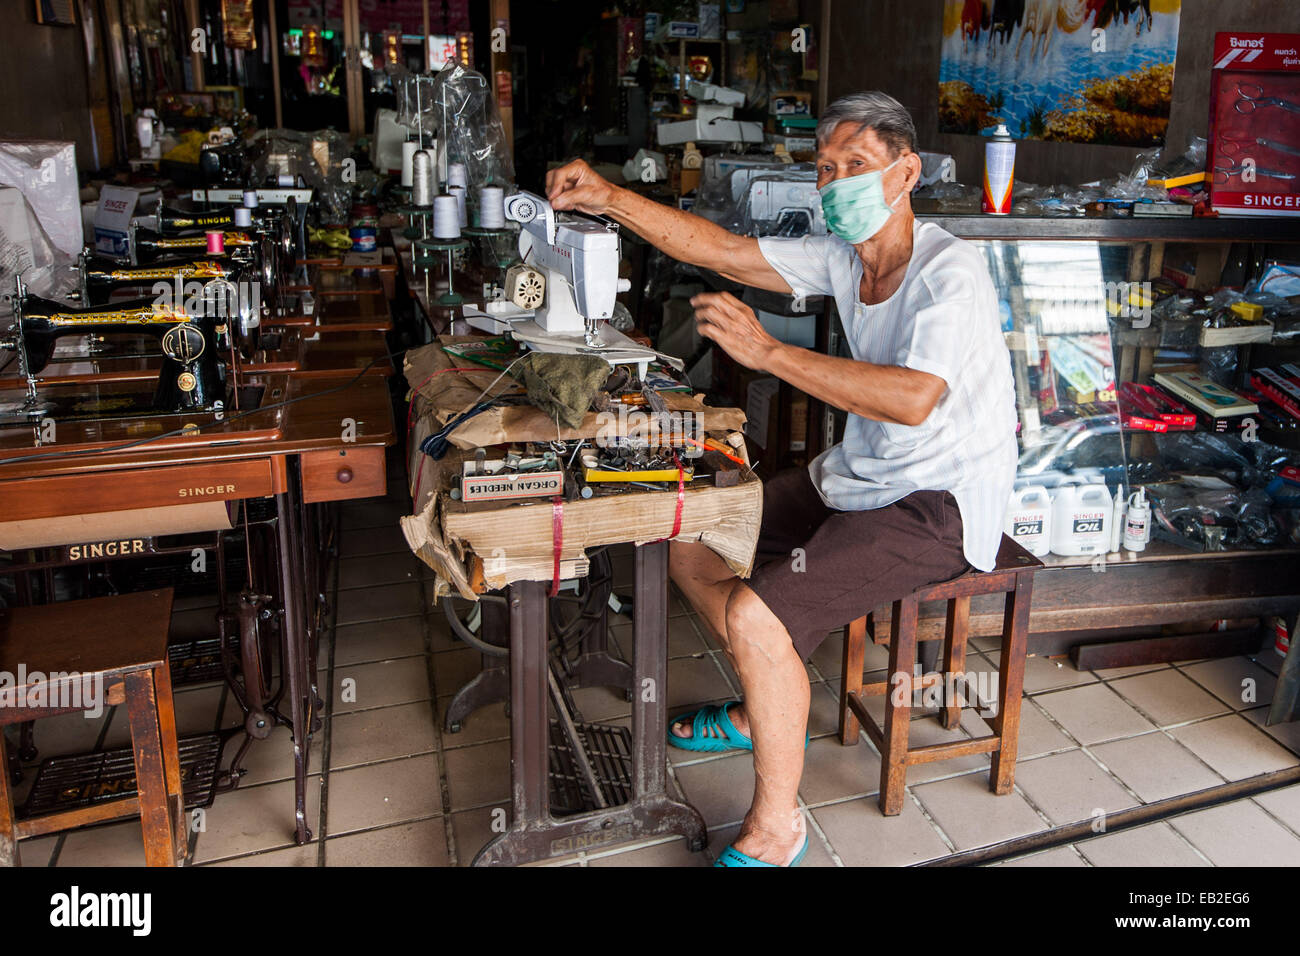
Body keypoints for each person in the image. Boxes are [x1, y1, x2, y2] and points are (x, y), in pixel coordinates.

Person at [545, 91, 1017, 867]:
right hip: (859, 478)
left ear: (905, 174)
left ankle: (776, 826)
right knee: (690, 533)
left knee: (757, 619)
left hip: (940, 505)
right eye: (826, 168)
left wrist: (769, 354)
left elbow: (912, 398)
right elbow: (721, 250)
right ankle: (772, 690)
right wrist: (608, 196)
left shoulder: (948, 273)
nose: (836, 183)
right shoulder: (846, 257)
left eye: (856, 166)